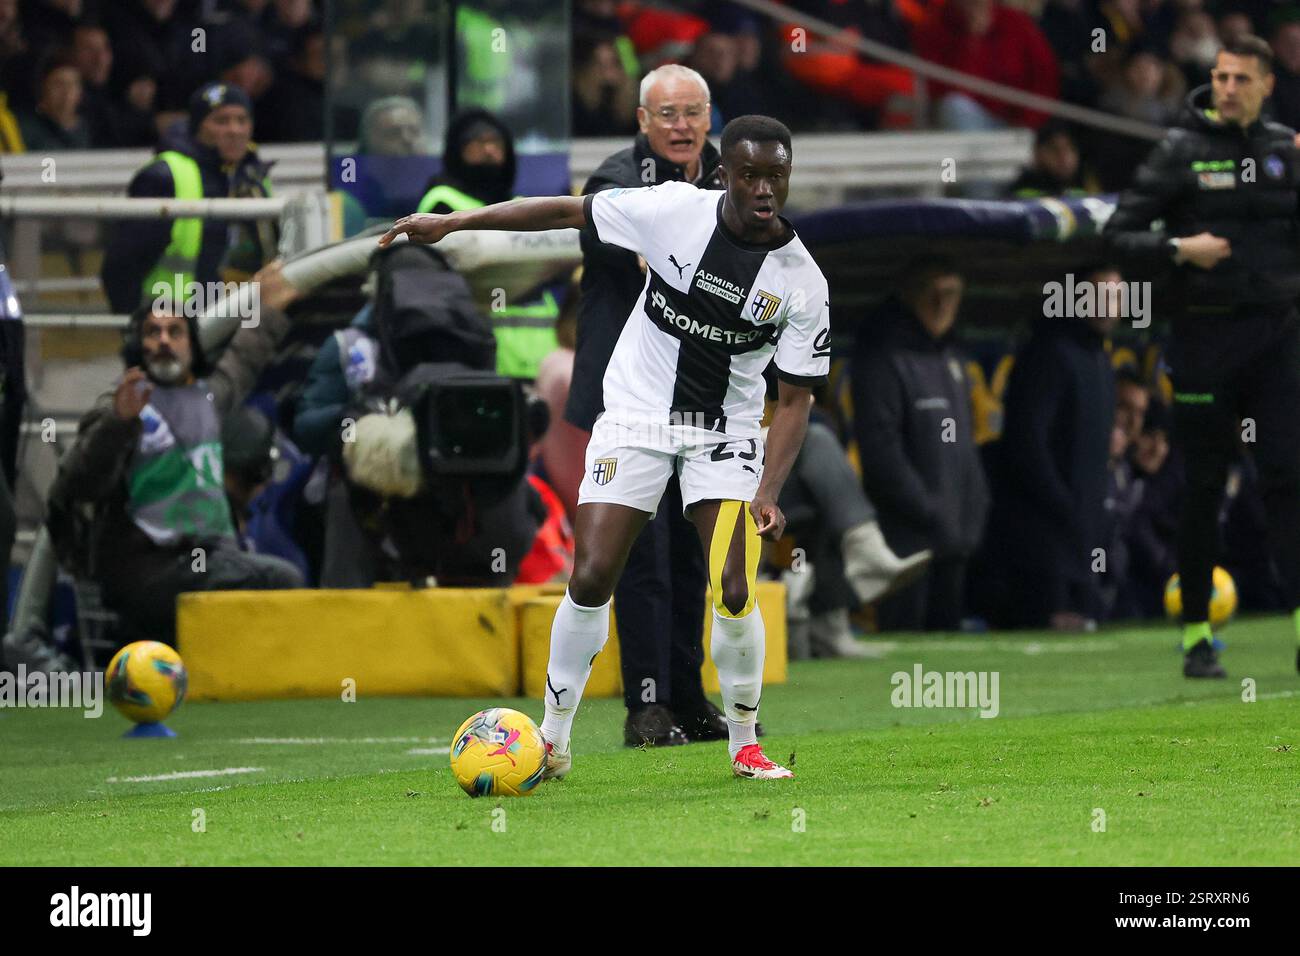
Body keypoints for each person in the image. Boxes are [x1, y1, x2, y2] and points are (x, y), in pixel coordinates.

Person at [382, 115, 828, 781]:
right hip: (638, 417)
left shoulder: (802, 282)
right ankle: (553, 741)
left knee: (734, 588)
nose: (765, 189)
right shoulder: (672, 210)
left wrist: (767, 490)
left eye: (777, 176)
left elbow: (794, 401)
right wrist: (454, 224)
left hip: (725, 434)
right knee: (591, 576)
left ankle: (744, 743)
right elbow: (563, 211)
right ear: (724, 175)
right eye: (750, 175)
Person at [1104, 34, 1300, 677]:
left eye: (1241, 78)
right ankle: (1195, 635)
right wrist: (1179, 250)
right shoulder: (1179, 151)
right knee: (1202, 487)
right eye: (1220, 77)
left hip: (1276, 341)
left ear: (1267, 85)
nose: (1227, 88)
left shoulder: (1285, 152)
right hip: (1203, 341)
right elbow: (1119, 234)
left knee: (1287, 483)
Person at [564, 63, 723, 748]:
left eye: (692, 112)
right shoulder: (612, 181)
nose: (682, 126)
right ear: (642, 122)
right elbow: (641, 253)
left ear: (709, 117)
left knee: (695, 551)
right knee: (641, 554)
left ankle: (688, 697)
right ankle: (646, 706)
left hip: (696, 393)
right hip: (629, 400)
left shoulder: (727, 173)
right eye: (668, 114)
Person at [46, 261, 306, 644]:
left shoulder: (207, 399)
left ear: (192, 344)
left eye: (175, 331)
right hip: (145, 570)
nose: (164, 340)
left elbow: (243, 359)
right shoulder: (115, 411)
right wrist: (119, 423)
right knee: (280, 580)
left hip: (210, 560)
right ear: (138, 346)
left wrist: (266, 307)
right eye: (153, 332)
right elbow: (79, 485)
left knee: (282, 578)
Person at [849, 256, 988, 631]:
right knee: (906, 658)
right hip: (908, 540)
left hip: (954, 539)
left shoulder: (951, 357)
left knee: (949, 657)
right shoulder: (883, 356)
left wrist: (973, 509)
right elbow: (882, 454)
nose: (943, 304)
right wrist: (931, 511)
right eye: (933, 293)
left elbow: (965, 446)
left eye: (952, 293)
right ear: (909, 295)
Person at [980, 263, 1118, 630]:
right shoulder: (1048, 353)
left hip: (1082, 535)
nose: (1109, 305)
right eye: (1100, 295)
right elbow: (1028, 443)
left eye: (1117, 296)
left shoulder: (1100, 358)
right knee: (1049, 631)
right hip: (1042, 540)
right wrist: (1063, 502)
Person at [101, 81, 276, 313]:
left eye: (242, 120)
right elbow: (121, 266)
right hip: (172, 323)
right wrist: (135, 328)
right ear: (197, 127)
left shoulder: (255, 177)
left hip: (241, 321)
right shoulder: (165, 176)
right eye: (221, 120)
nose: (235, 130)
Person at [415, 109, 559, 381]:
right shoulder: (441, 202)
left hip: (543, 359)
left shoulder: (520, 204)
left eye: (497, 143)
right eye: (478, 143)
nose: (490, 150)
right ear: (458, 150)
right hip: (484, 358)